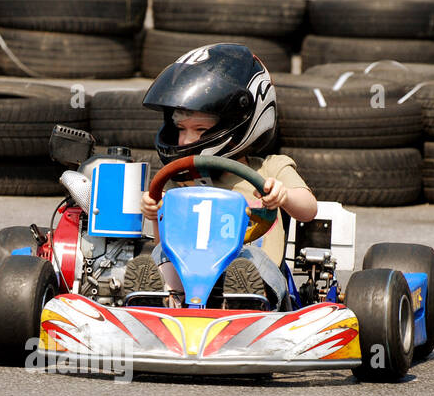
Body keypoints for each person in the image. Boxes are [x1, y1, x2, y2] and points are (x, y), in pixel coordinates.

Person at [127, 43, 317, 308]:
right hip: (186, 273)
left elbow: (309, 209)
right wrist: (154, 215)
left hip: (250, 269)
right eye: (180, 128)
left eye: (199, 129)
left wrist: (283, 196)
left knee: (250, 262)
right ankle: (153, 301)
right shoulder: (178, 179)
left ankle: (247, 302)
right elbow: (166, 243)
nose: (185, 139)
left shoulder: (270, 169)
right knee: (162, 255)